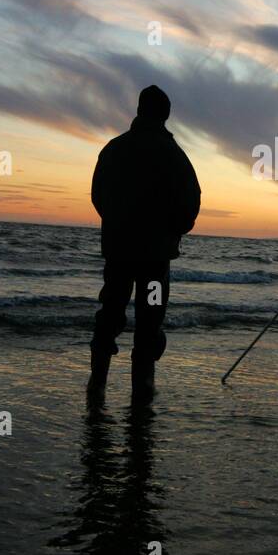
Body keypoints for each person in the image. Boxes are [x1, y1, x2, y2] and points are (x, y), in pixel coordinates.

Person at [88, 85, 201, 405]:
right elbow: (191, 203)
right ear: (165, 115)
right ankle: (143, 391)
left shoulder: (114, 149)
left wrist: (115, 224)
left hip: (119, 252)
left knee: (110, 314)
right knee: (149, 321)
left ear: (139, 110)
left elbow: (99, 196)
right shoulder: (174, 155)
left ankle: (96, 386)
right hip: (154, 257)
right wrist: (174, 232)